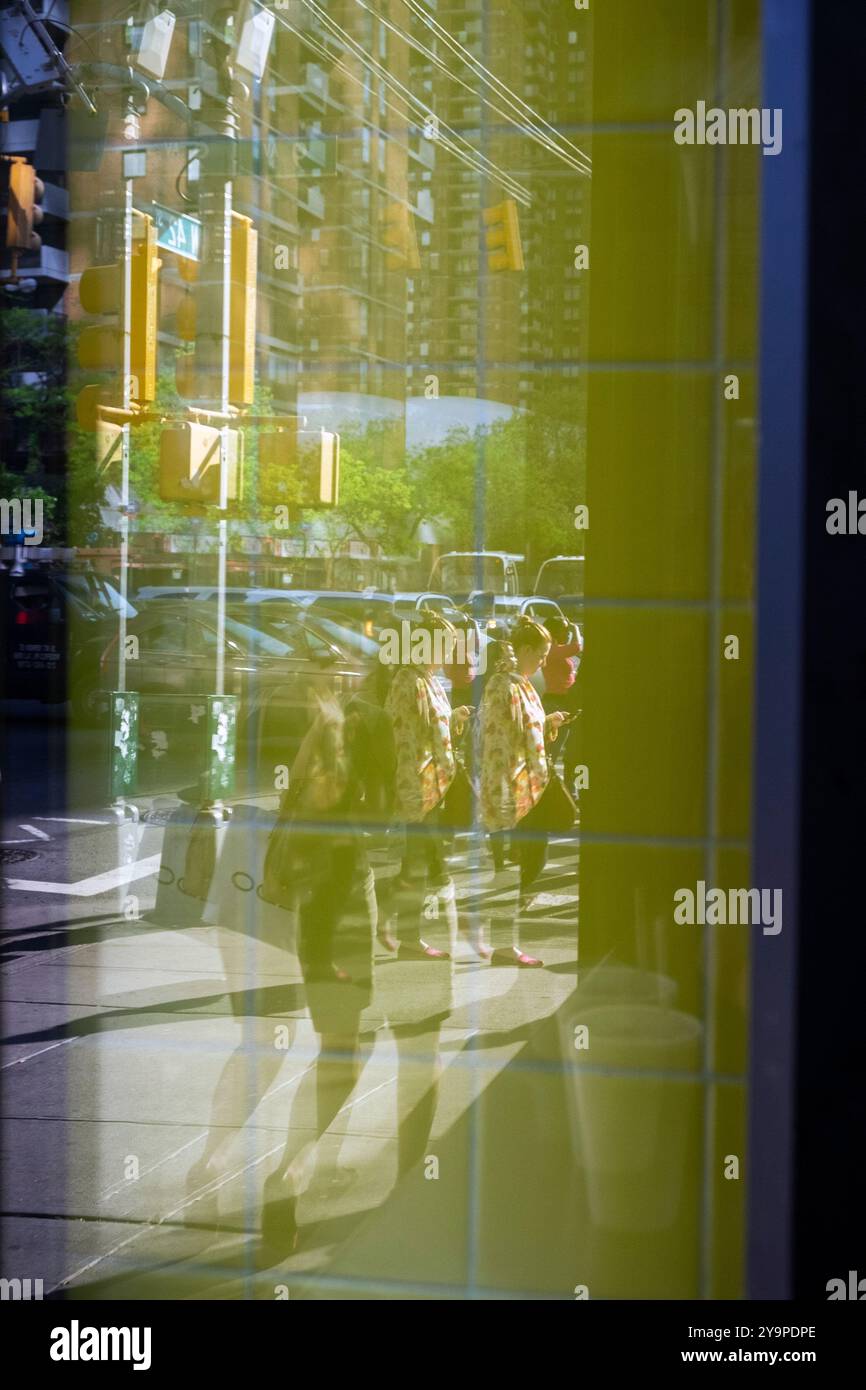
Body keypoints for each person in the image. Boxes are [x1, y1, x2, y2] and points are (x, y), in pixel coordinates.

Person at [479, 618, 571, 967]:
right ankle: (504, 944)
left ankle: (504, 941)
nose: (545, 661)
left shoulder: (519, 683)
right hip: (515, 789)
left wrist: (547, 724)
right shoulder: (505, 685)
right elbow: (502, 741)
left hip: (526, 785)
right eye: (543, 654)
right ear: (527, 650)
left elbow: (520, 731)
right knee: (522, 863)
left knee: (527, 861)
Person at [382, 611, 472, 960]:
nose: (450, 652)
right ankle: (401, 931)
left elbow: (433, 724)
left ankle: (398, 928)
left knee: (420, 862)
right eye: (447, 645)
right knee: (418, 862)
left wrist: (454, 718)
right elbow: (407, 733)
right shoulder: (410, 680)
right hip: (416, 784)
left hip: (431, 785)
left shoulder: (428, 679)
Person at [541, 613, 583, 793]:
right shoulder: (550, 650)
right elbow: (578, 646)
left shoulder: (557, 649)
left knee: (572, 751)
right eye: (563, 630)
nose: (567, 633)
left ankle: (569, 790)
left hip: (567, 701)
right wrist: (575, 628)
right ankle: (545, 788)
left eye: (568, 630)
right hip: (555, 703)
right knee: (553, 749)